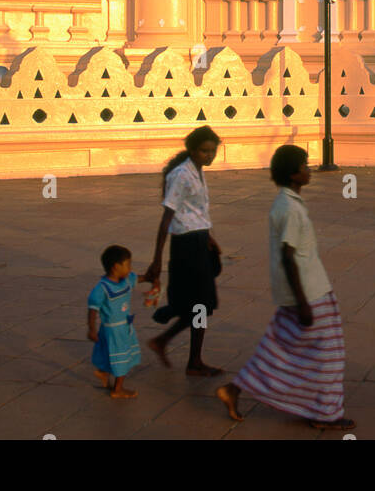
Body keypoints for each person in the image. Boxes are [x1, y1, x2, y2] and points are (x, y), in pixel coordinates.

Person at [216, 146, 355, 431]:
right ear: (294, 174)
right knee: (329, 353)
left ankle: (235, 389)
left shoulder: (286, 202)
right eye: (304, 166)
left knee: (278, 349)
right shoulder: (289, 208)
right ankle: (324, 413)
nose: (309, 169)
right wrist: (303, 302)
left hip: (303, 290)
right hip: (308, 293)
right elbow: (288, 256)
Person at [143, 126, 223, 375]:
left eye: (212, 151)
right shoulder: (181, 175)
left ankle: (184, 353)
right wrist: (157, 259)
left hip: (199, 240)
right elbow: (168, 216)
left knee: (202, 305)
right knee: (200, 304)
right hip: (186, 246)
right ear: (191, 150)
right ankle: (181, 351)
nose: (208, 156)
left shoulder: (197, 171)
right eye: (203, 151)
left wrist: (208, 236)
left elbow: (194, 210)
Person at [88, 244, 140, 399]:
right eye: (128, 265)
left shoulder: (126, 280)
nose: (130, 268)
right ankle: (118, 389)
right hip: (115, 330)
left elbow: (139, 278)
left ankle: (103, 372)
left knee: (111, 353)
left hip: (122, 326)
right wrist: (91, 328)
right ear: (116, 266)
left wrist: (151, 277)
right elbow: (92, 309)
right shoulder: (102, 288)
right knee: (121, 357)